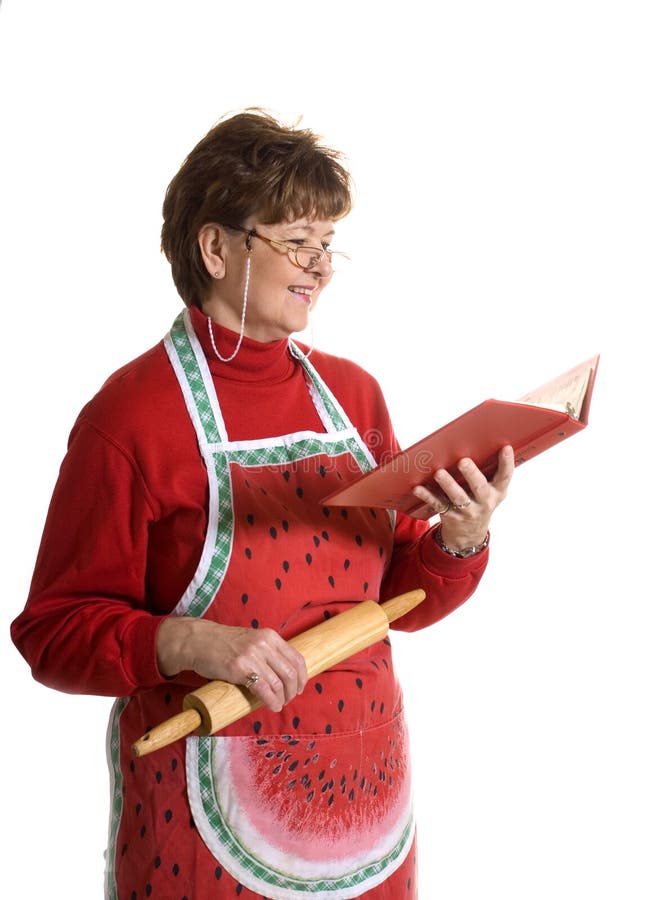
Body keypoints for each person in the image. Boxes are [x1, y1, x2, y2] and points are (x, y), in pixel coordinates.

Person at [11, 109, 514, 900]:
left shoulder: (354, 395)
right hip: (203, 811)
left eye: (327, 245)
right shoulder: (130, 416)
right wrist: (187, 641)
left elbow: (400, 602)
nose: (319, 267)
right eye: (297, 243)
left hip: (368, 789)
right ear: (216, 248)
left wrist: (458, 539)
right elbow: (52, 632)